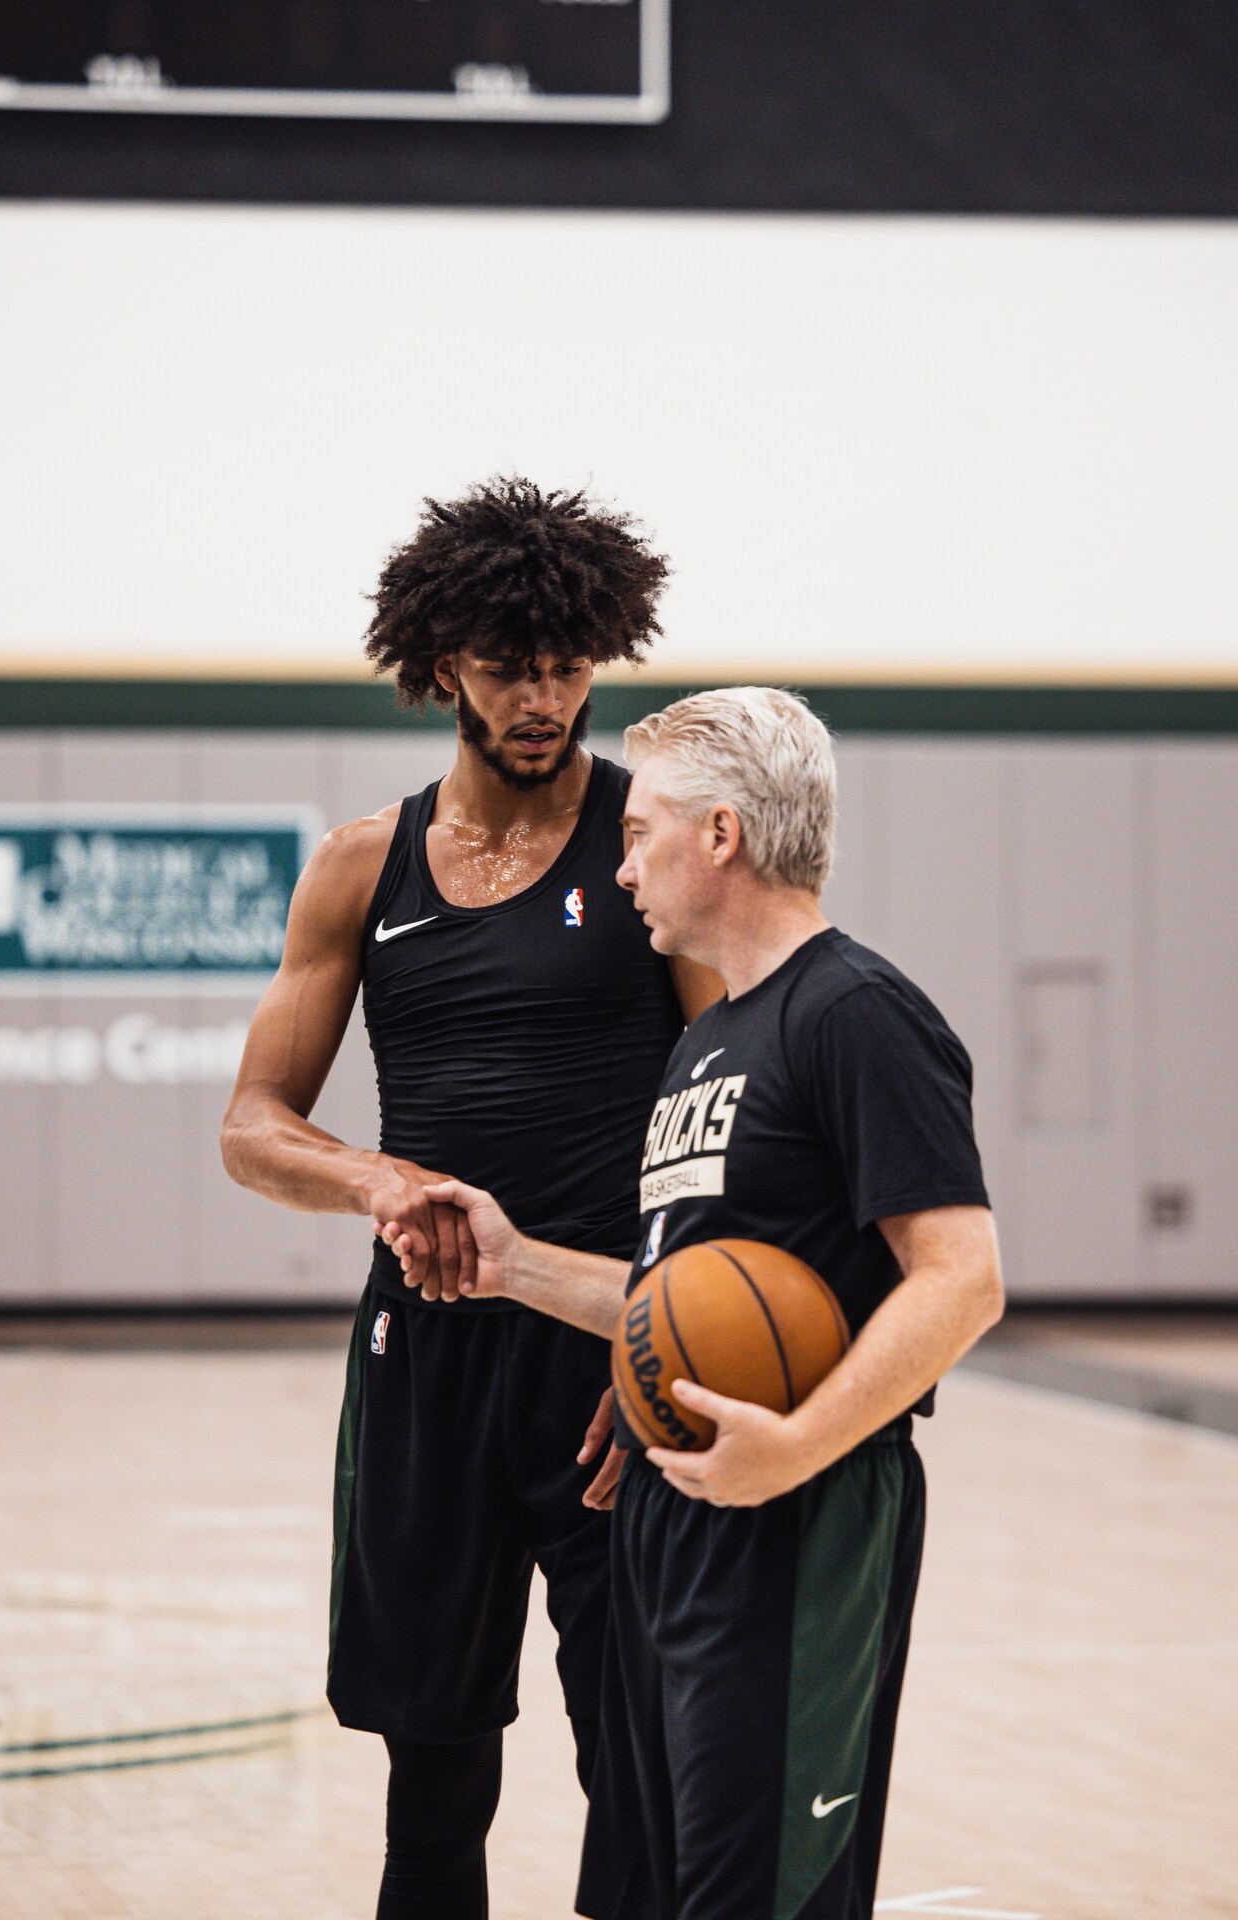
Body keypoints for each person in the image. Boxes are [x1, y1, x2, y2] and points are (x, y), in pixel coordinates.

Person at [385, 686, 1004, 1920]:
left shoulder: (856, 1014)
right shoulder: (710, 1040)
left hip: (799, 1513)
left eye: (639, 831)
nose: (620, 868)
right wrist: (515, 1266)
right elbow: (677, 1295)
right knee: (654, 1888)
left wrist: (795, 1447)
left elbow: (961, 1276)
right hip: (676, 1514)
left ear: (719, 835)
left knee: (757, 1890)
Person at [220, 478, 719, 1920]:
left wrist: (666, 1335)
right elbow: (253, 1126)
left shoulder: (650, 848)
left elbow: (727, 1103)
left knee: (640, 1766)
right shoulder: (361, 865)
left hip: (601, 1350)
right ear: (440, 662)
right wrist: (387, 1180)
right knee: (431, 1773)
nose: (544, 696)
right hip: (428, 1356)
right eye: (509, 665)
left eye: (568, 664)